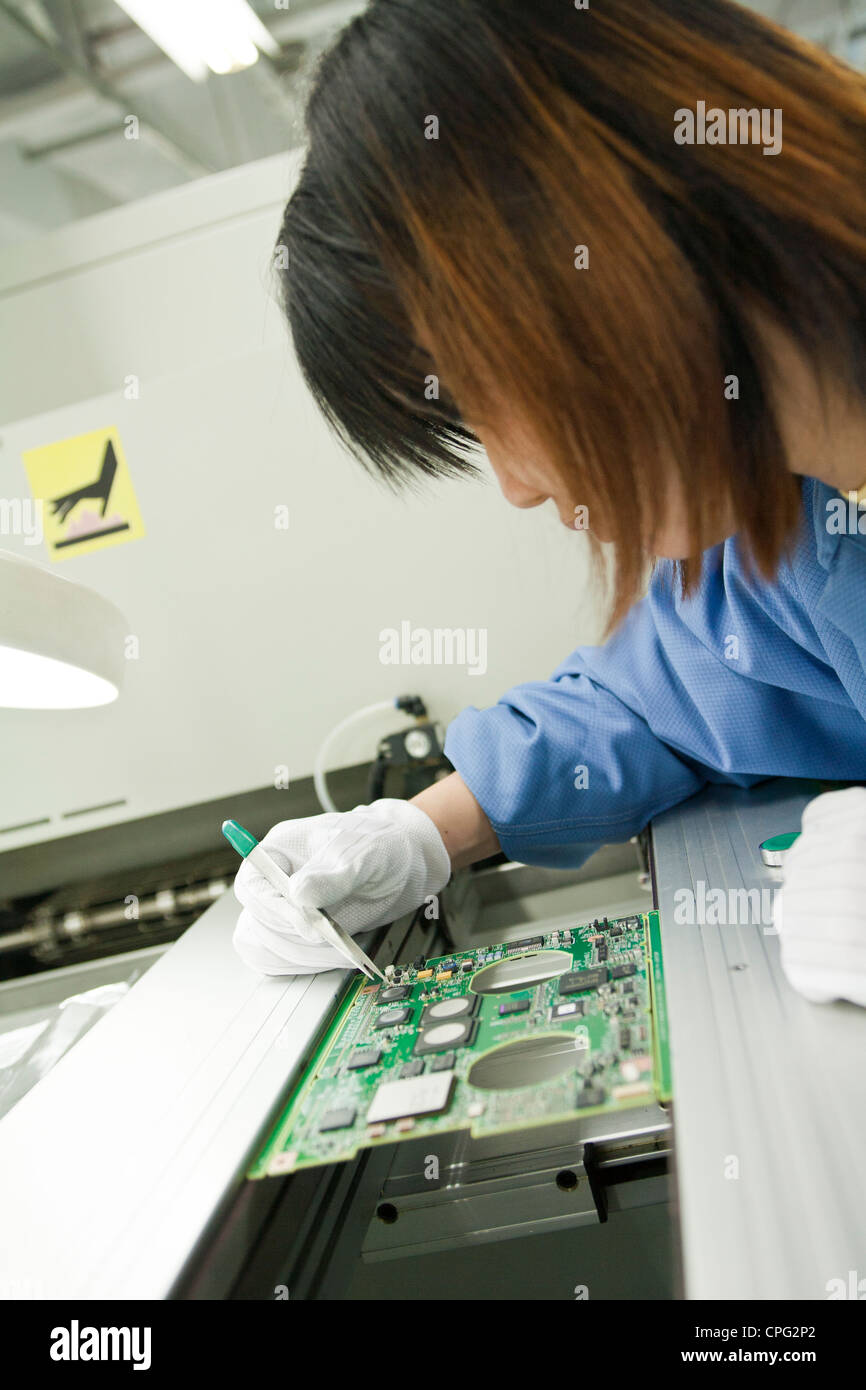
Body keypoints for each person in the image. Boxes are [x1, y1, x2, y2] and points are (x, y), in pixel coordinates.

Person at [233, 0, 866, 1007]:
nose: (521, 487)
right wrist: (424, 830)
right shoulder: (782, 521)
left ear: (592, 265)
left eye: (480, 407)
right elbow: (657, 697)